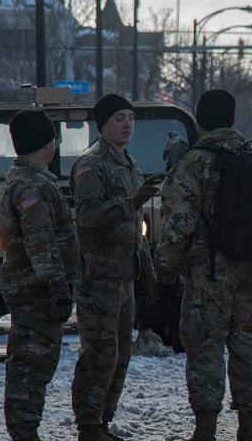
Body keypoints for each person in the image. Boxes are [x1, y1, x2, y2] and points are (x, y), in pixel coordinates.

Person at [156, 88, 252, 441]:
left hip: (209, 272)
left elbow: (179, 224)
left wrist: (162, 271)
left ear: (198, 121)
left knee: (205, 346)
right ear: (232, 119)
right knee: (246, 347)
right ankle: (248, 431)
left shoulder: (193, 162)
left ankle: (206, 431)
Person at [69, 94, 162, 441]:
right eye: (120, 118)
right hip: (99, 278)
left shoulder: (128, 163)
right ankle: (89, 425)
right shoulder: (92, 164)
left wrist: (148, 268)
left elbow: (136, 226)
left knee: (120, 355)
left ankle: (103, 423)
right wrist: (132, 200)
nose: (127, 125)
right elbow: (87, 216)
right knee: (99, 354)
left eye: (131, 118)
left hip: (124, 277)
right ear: (103, 124)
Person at [0, 110, 80, 441]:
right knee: (31, 364)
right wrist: (57, 286)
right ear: (49, 143)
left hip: (30, 287)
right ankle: (24, 430)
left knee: (32, 361)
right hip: (37, 290)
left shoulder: (21, 178)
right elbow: (41, 240)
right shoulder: (33, 185)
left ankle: (25, 428)